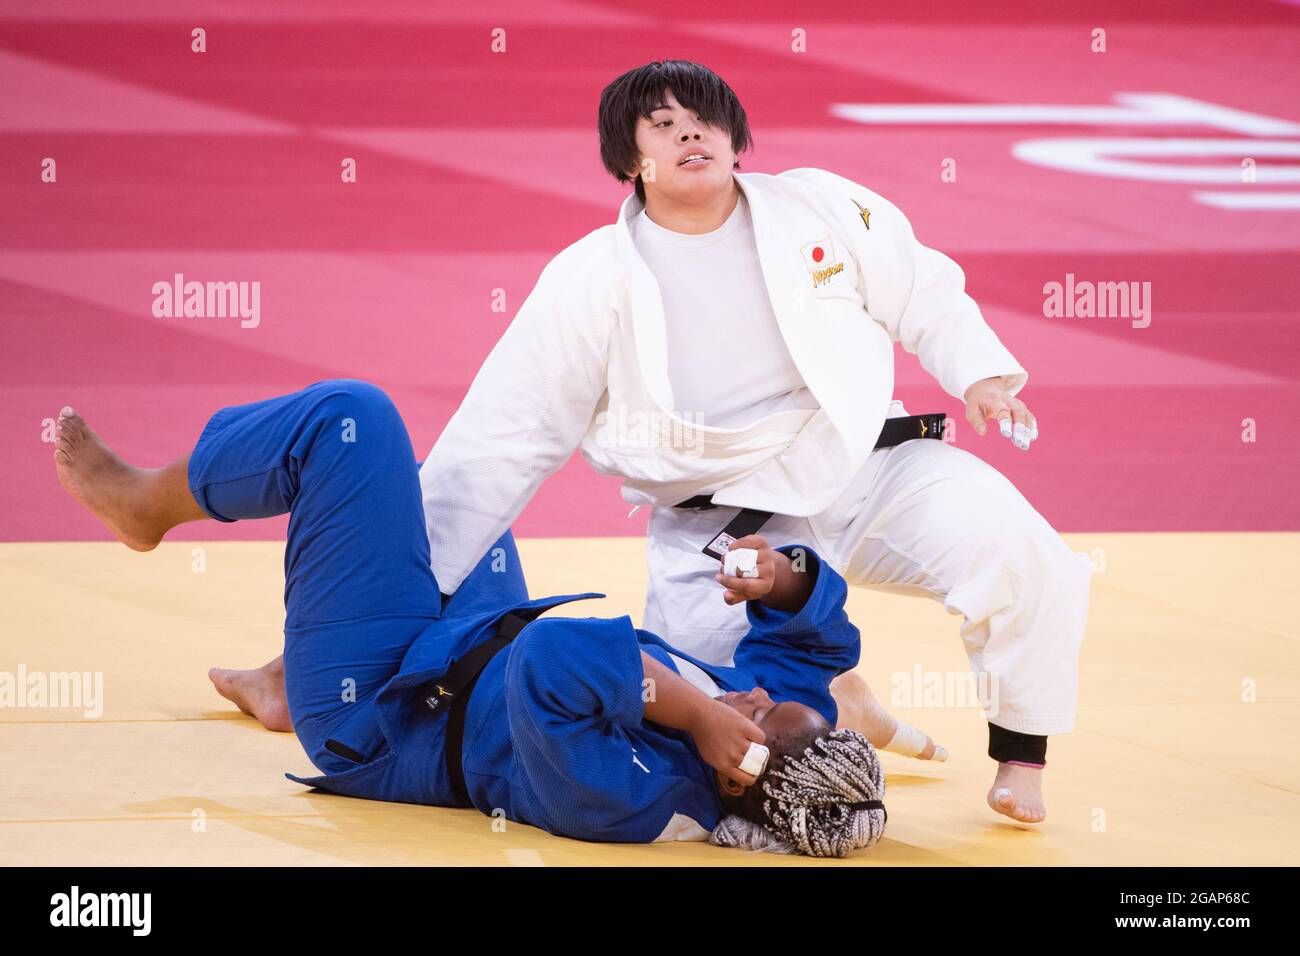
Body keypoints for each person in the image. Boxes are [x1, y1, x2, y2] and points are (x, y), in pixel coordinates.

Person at [222, 59, 1091, 824]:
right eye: (662, 125)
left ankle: (1021, 754)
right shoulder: (592, 280)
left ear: (736, 136)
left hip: (869, 466)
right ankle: (836, 705)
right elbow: (502, 442)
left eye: (704, 118)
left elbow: (922, 291)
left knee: (1026, 554)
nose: (690, 134)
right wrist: (387, 617)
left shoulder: (820, 207)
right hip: (722, 532)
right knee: (716, 731)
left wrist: (979, 370)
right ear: (630, 159)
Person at [52, 379, 926, 856]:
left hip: (380, 714)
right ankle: (289, 676)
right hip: (462, 643)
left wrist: (695, 714)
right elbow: (819, 642)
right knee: (474, 493)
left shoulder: (636, 803)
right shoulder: (774, 725)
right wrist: (781, 580)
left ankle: (145, 506)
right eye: (769, 700)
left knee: (350, 424)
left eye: (759, 716)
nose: (755, 694)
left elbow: (552, 660)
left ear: (739, 777)